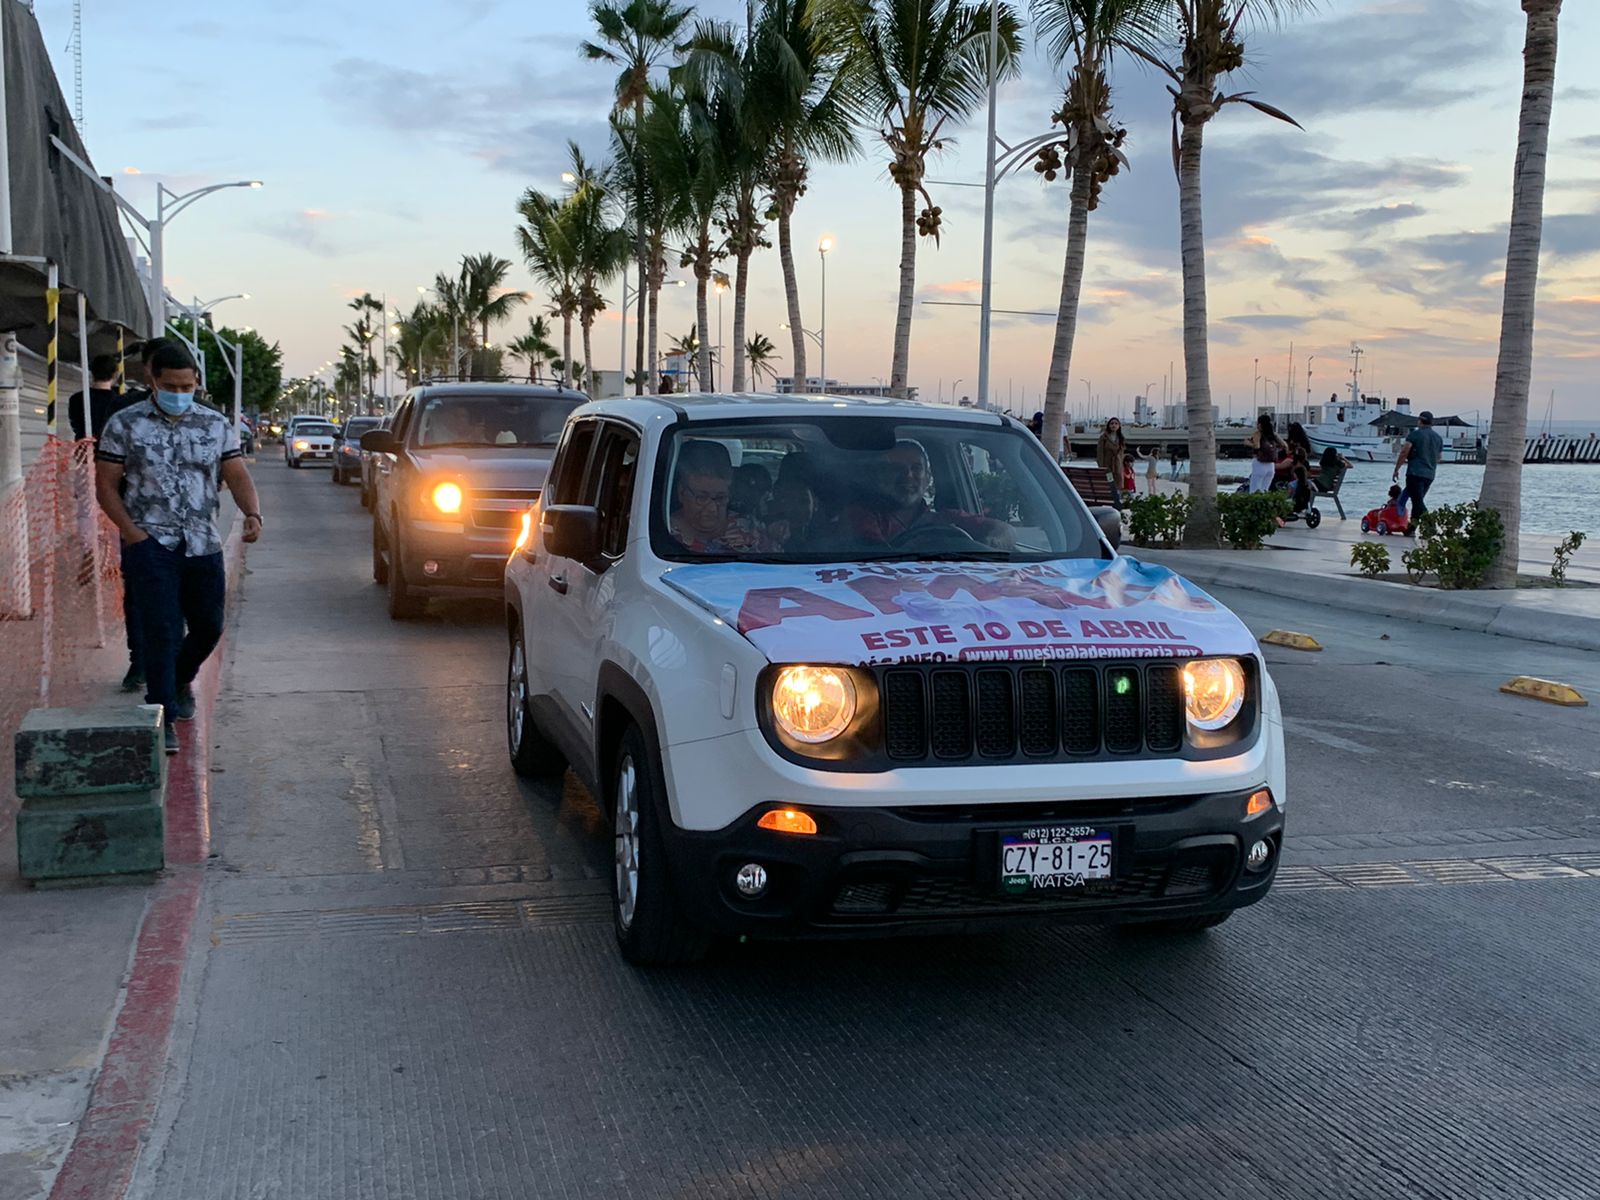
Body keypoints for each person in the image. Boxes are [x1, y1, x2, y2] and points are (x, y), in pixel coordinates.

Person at [95, 343, 263, 754]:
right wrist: (132, 533)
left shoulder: (214, 424)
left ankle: (179, 678)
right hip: (151, 542)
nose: (179, 391)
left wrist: (253, 513)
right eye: (170, 384)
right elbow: (105, 486)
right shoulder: (124, 424)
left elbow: (235, 472)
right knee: (162, 630)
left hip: (201, 541)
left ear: (196, 382)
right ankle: (163, 713)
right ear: (153, 381)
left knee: (209, 625)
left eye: (187, 385)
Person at [843, 439, 1016, 549]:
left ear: (928, 479)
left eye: (916, 469)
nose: (908, 476)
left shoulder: (946, 519)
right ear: (880, 478)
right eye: (896, 469)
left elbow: (1005, 531)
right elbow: (877, 562)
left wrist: (991, 543)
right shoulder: (861, 517)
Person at [668, 439, 747, 552]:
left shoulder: (745, 526)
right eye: (702, 497)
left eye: (721, 498)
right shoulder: (662, 535)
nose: (712, 509)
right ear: (681, 493)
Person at [1393, 409, 1443, 531]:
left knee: (1418, 502)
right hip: (1430, 474)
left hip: (1415, 473)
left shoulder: (1415, 434)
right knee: (1417, 501)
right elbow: (1439, 458)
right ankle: (1411, 529)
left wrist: (1397, 468)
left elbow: (1405, 451)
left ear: (1420, 421)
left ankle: (1431, 525)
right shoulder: (1438, 438)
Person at [1246, 414, 1284, 494]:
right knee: (1265, 490)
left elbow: (1257, 446)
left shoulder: (1258, 433)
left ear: (1259, 424)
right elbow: (1284, 445)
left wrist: (1247, 443)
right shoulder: (1273, 434)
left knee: (1254, 490)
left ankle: (1255, 506)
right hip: (1271, 466)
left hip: (1260, 464)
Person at [1097, 418, 1128, 506]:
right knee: (1109, 484)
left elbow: (1122, 454)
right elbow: (1100, 454)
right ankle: (1110, 502)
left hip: (1118, 466)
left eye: (1116, 423)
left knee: (1118, 485)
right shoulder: (1104, 437)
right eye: (1112, 423)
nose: (1113, 425)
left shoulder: (1121, 438)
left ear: (1119, 426)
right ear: (1109, 425)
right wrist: (1101, 467)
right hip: (1107, 466)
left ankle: (1116, 502)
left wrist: (1123, 466)